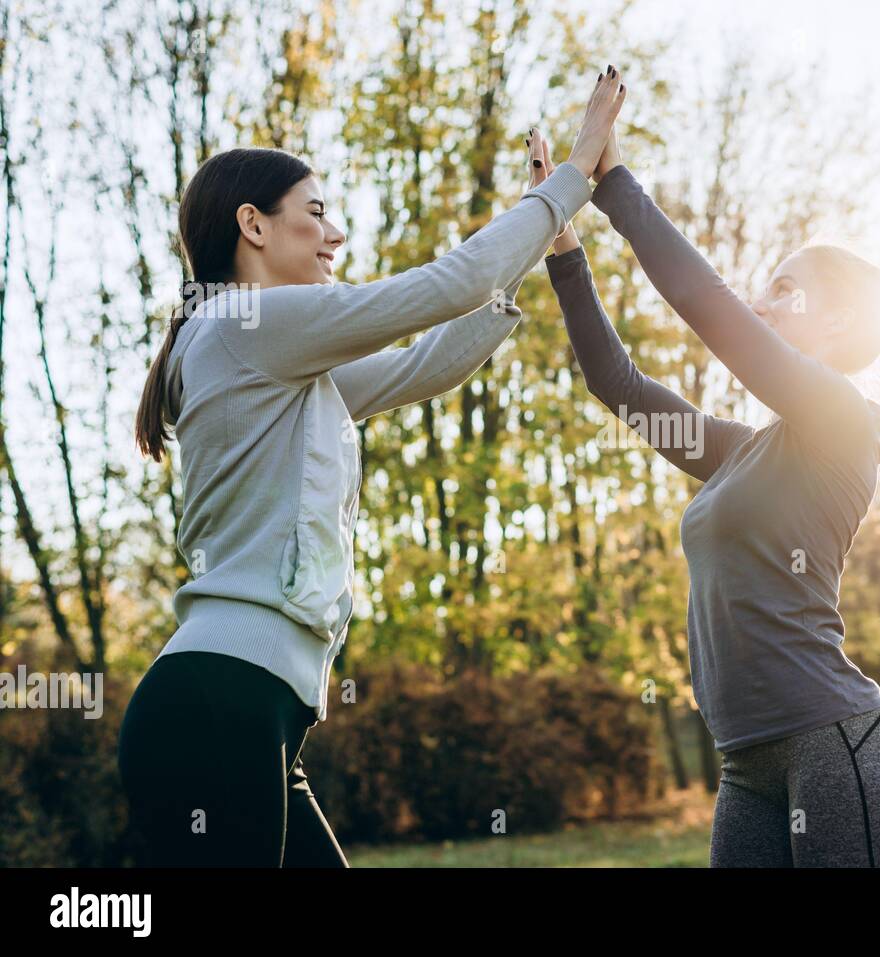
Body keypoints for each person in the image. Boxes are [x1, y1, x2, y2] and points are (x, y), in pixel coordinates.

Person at [116, 67, 628, 867]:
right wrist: (571, 176)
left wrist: (539, 235)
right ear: (252, 225)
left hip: (248, 711)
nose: (335, 235)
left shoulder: (266, 361)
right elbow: (446, 285)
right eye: (314, 215)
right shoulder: (244, 324)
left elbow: (428, 364)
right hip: (221, 702)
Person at [533, 109, 880, 866]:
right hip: (747, 766)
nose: (760, 303)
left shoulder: (844, 420)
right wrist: (563, 244)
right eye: (762, 289)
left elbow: (716, 314)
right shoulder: (737, 452)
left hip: (835, 747)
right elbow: (617, 383)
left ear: (842, 321)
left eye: (783, 289)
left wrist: (616, 185)